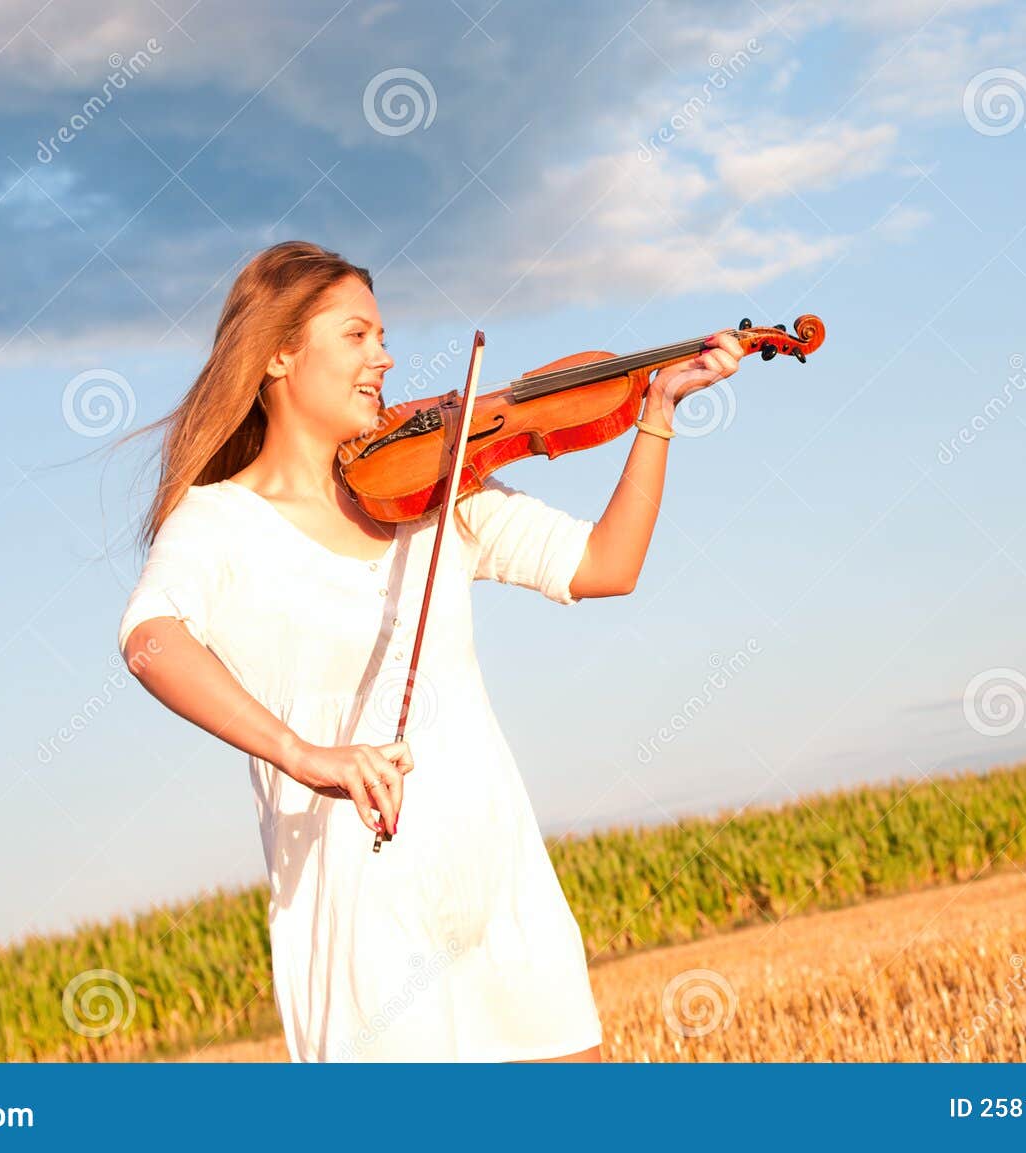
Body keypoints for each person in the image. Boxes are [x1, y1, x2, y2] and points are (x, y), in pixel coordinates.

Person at [115, 240, 743, 1062]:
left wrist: (655, 411)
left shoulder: (436, 485)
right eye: (358, 335)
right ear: (276, 352)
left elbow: (604, 566)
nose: (386, 356)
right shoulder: (217, 522)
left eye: (384, 336)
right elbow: (151, 640)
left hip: (496, 879)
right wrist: (304, 754)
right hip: (364, 917)